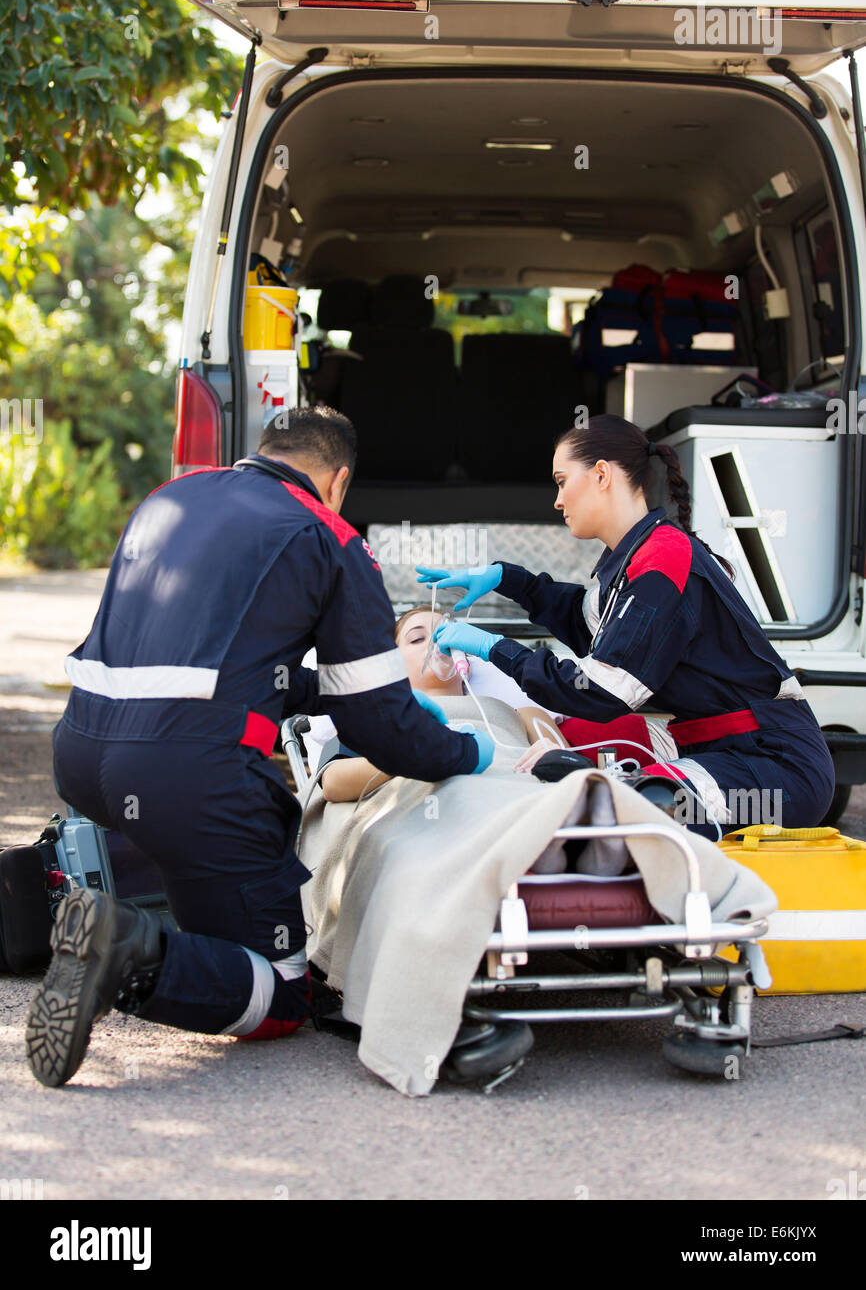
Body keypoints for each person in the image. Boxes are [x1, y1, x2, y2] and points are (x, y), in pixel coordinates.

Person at [27, 406, 493, 1088]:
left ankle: (128, 941)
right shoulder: (330, 536)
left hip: (83, 757)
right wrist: (461, 754)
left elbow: (216, 663)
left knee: (222, 941)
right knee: (280, 996)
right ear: (336, 481)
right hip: (189, 780)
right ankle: (130, 947)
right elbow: (378, 725)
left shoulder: (169, 500)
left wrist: (312, 691)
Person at [421, 414, 835, 839]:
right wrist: (508, 579)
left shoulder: (664, 560)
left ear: (601, 474)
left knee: (626, 807)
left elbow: (604, 691)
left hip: (775, 767)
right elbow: (588, 624)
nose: (557, 501)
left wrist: (495, 648)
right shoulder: (637, 559)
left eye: (562, 481)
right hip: (710, 744)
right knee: (574, 739)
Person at [317, 604, 563, 803]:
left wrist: (554, 757)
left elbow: (577, 770)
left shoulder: (524, 716)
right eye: (416, 639)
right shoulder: (372, 717)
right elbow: (333, 784)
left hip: (519, 803)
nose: (436, 643)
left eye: (446, 634)